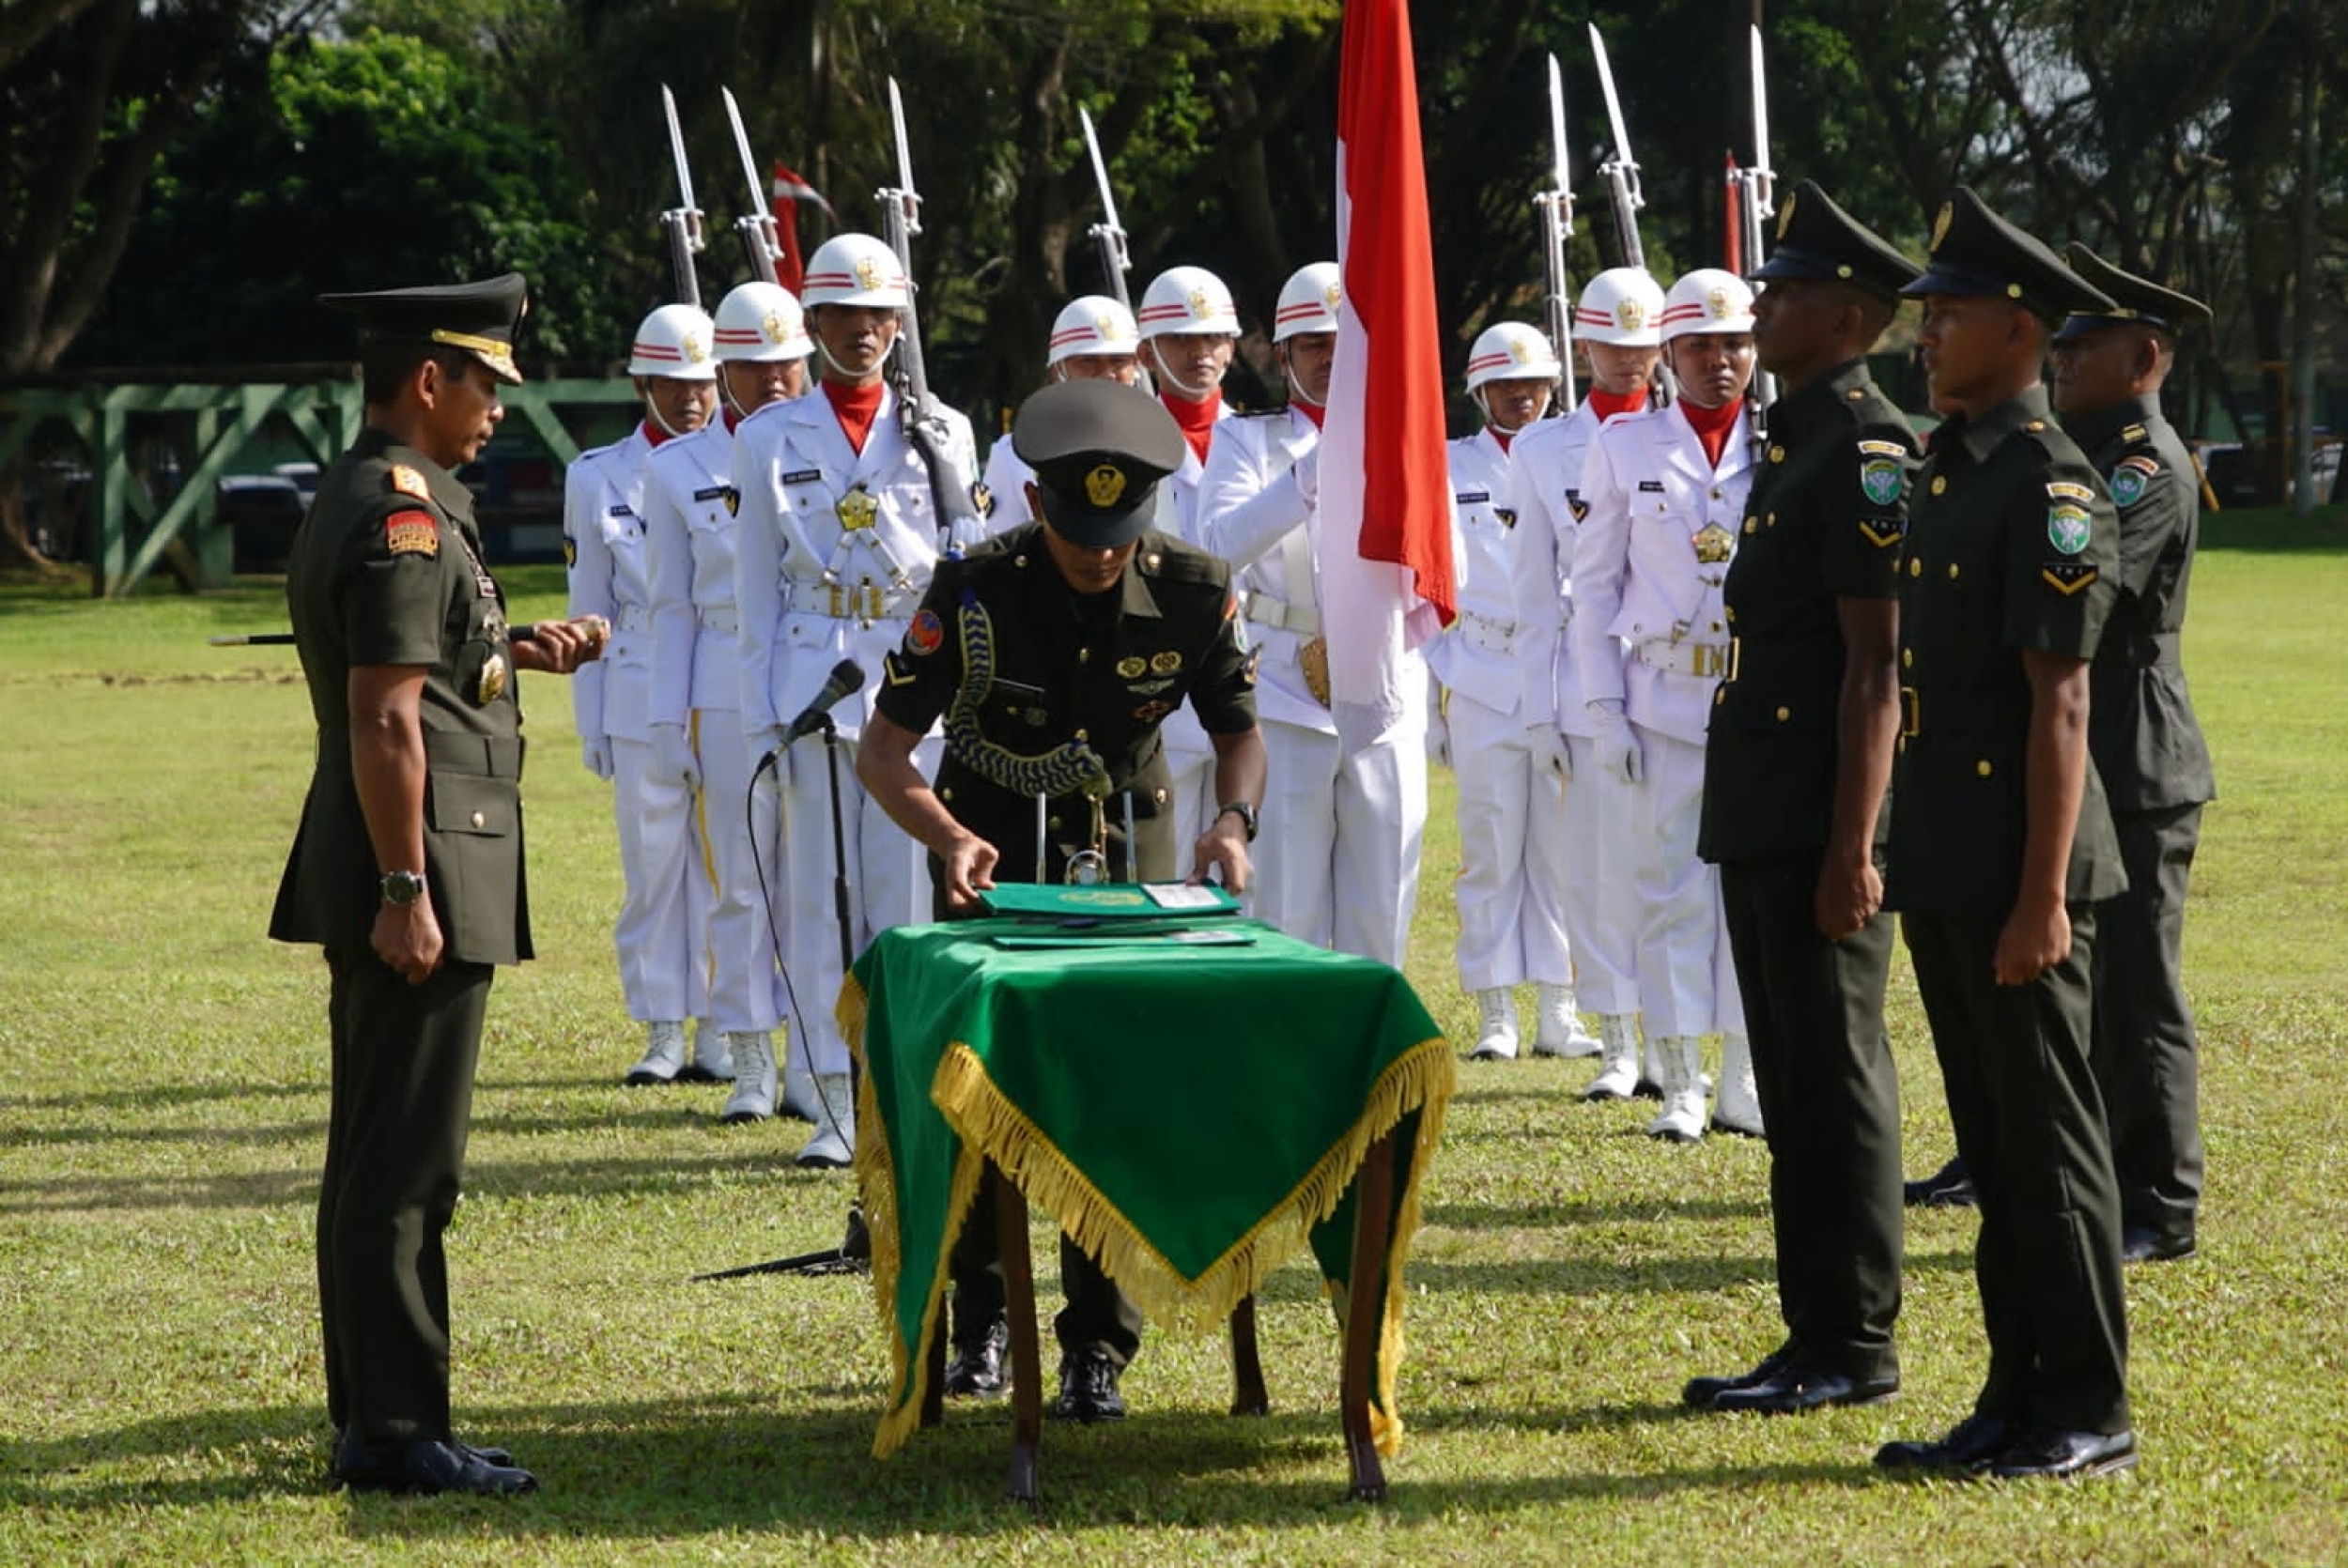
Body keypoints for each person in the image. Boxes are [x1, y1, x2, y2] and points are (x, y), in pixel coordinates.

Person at [856, 378, 1265, 1422]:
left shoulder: (1192, 585)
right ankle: (983, 1314)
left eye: (1120, 532)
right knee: (985, 1093)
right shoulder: (973, 588)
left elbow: (1237, 729)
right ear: (1035, 506)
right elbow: (885, 747)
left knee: (1108, 1098)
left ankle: (1097, 1345)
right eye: (1081, 533)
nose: (1100, 554)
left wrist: (1232, 821)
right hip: (991, 860)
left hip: (1130, 856)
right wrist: (945, 835)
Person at [272, 272, 603, 1495]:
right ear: (428, 381)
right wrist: (408, 882)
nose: (497, 410)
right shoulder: (405, 510)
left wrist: (510, 649)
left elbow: (413, 661)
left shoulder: (366, 493)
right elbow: (385, 715)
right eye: (485, 383)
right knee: (408, 1163)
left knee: (374, 1151)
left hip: (397, 858)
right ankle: (402, 1433)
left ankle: (377, 1415)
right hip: (413, 867)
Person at [1872, 187, 2136, 1482]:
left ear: (2022, 330)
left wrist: (2043, 899)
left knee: (2052, 1142)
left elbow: (2062, 702)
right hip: (1948, 856)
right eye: (1923, 313)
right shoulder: (1947, 464)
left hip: (2025, 870)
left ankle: (2087, 1401)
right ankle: (2012, 1388)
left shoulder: (2054, 484)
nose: (1925, 332)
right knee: (1994, 1146)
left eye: (1950, 312)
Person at [1684, 182, 1918, 1415]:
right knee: (1789, 1076)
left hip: (1821, 812)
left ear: (1846, 313)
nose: (1758, 306)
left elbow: (1877, 662)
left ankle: (1859, 1337)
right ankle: (1812, 1326)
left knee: (1836, 1073)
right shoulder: (1798, 434)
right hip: (1764, 798)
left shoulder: (1868, 445)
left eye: (1780, 291)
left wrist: (1854, 843)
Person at [733, 232, 984, 1160]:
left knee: (903, 895)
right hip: (811, 679)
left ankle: (902, 1082)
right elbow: (755, 588)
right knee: (818, 896)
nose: (868, 330)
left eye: (883, 313)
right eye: (848, 313)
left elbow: (966, 567)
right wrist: (764, 708)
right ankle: (831, 1093)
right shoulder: (766, 435)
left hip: (910, 681)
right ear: (816, 322)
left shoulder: (944, 429)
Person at [2050, 243, 2217, 1265]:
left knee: (2139, 985)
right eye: (2057, 340)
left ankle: (2162, 1197)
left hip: (2137, 749)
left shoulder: (2140, 464)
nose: (2060, 357)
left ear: (2144, 356)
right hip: (2089, 736)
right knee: (2078, 972)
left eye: (2082, 342)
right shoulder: (2079, 447)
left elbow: (2085, 585)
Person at [1569, 269, 1762, 1142]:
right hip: (1662, 698)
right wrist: (1604, 710)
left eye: (1734, 344)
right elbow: (1593, 586)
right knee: (1674, 892)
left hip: (1762, 701)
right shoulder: (1625, 447)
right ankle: (1681, 1077)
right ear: (1668, 356)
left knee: (1754, 897)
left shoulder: (1781, 440)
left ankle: (1744, 1079)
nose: (1719, 362)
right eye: (1699, 347)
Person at [1196, 261, 1427, 967]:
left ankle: (1370, 1062)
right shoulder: (1248, 440)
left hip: (1383, 678)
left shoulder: (1410, 436)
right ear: (1282, 355)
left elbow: (1445, 568)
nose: (1331, 359)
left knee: (1384, 894)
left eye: (1343, 344)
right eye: (1312, 344)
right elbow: (1215, 547)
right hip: (1283, 687)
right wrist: (1309, 475)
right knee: (1283, 900)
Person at [642, 281, 816, 1129]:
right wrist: (665, 720)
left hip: (820, 679)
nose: (774, 379)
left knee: (822, 877)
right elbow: (668, 607)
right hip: (721, 680)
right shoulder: (675, 468)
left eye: (787, 362)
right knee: (742, 881)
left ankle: (821, 1062)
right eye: (753, 365)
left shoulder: (838, 448)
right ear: (725, 369)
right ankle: (751, 1053)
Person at [1509, 268, 1670, 1091]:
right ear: (1584, 343)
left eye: (1644, 346)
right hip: (1584, 678)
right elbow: (1534, 592)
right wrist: (1538, 709)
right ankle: (1619, 1041)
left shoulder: (1693, 437)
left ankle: (1684, 1038)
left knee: (1673, 868)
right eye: (1614, 345)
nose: (1631, 361)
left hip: (1677, 677)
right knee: (1599, 869)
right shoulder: (1540, 450)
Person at [566, 302, 720, 1085]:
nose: (691, 397)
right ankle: (663, 1028)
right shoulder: (595, 476)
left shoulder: (737, 460)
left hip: (716, 684)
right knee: (654, 866)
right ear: (640, 383)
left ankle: (729, 1030)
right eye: (672, 382)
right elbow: (587, 602)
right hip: (634, 681)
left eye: (701, 381)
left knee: (731, 864)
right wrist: (589, 716)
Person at [1434, 321, 1596, 1062]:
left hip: (1560, 671)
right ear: (1478, 390)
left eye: (1533, 384)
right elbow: (1425, 580)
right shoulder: (1446, 464)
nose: (1522, 397)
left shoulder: (1581, 453)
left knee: (1561, 850)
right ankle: (1495, 1008)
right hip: (1480, 671)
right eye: (1505, 385)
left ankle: (1561, 1008)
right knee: (1490, 845)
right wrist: (1442, 676)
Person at [1136, 264, 1248, 866]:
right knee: (1164, 861)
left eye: (1212, 338)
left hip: (1246, 675)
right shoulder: (1126, 439)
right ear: (1147, 351)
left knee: (1245, 874)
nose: (1199, 352)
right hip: (1156, 677)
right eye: (1180, 337)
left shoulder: (1259, 437)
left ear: (1231, 348)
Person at [980, 295, 1144, 530]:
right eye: (1090, 361)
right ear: (1057, 371)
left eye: (1119, 361)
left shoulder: (1160, 440)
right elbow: (1003, 549)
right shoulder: (1015, 455)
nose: (1107, 374)